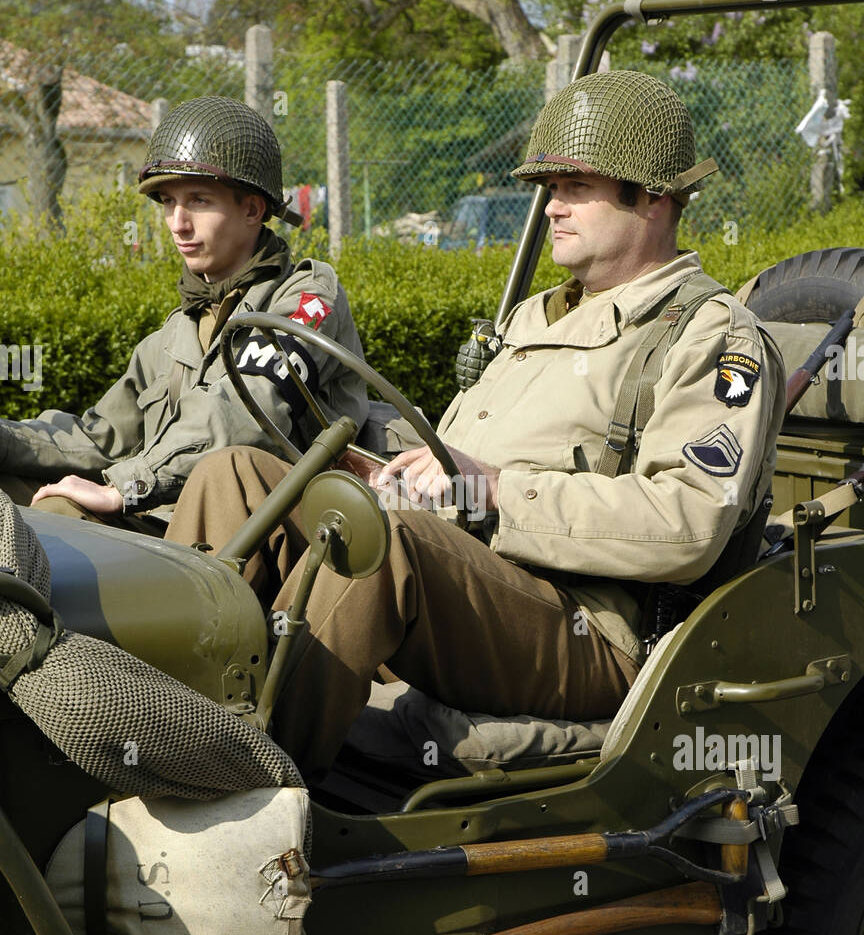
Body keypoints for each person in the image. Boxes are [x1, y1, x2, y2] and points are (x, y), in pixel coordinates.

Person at [165, 70, 787, 777]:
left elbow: (688, 523)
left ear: (651, 197)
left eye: (575, 187)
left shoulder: (709, 334)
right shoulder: (538, 316)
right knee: (237, 474)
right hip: (479, 576)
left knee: (382, 540)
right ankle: (166, 721)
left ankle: (245, 785)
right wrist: (384, 472)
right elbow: (464, 461)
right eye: (551, 189)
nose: (552, 208)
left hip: (593, 628)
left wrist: (494, 490)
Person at [0, 96, 368, 530]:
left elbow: (245, 409)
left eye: (197, 200)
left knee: (60, 515)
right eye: (167, 201)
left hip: (262, 536)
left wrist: (125, 486)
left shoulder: (307, 298)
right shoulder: (174, 336)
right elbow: (101, 437)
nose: (177, 223)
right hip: (169, 522)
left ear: (252, 209)